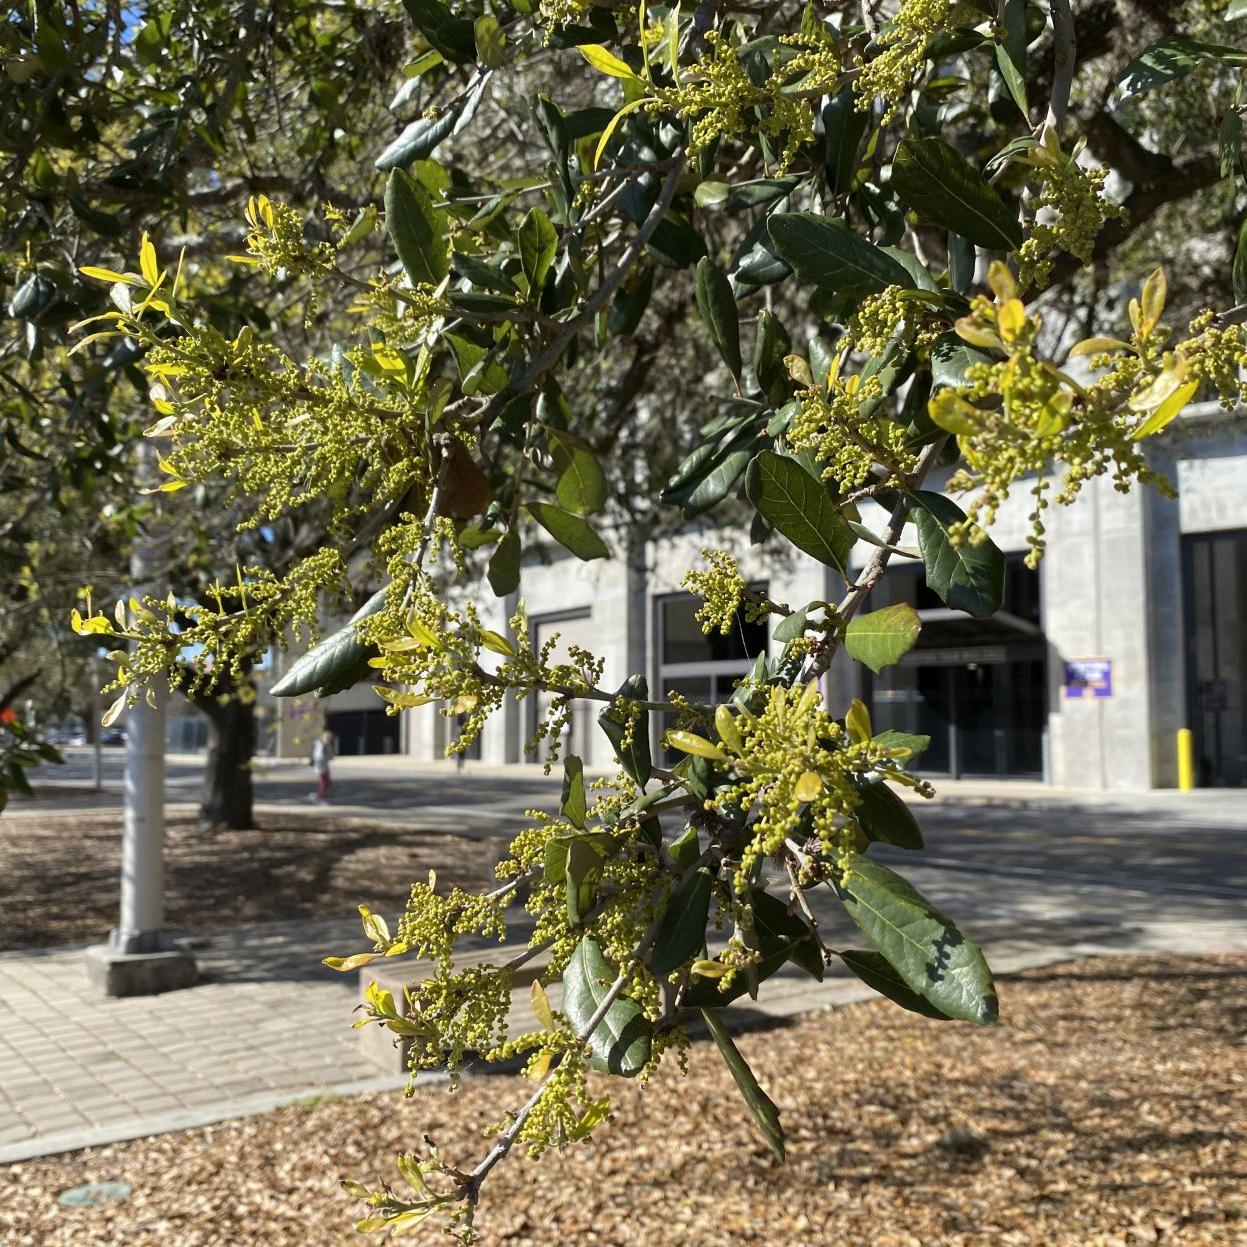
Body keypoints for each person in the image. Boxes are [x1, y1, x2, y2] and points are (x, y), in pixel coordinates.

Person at [311, 728, 335, 804]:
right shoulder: (320, 745)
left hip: (325, 766)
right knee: (324, 783)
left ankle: (320, 794)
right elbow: (318, 756)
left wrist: (329, 756)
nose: (328, 739)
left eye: (329, 738)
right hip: (320, 766)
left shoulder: (325, 745)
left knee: (328, 782)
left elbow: (330, 756)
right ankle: (320, 797)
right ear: (323, 737)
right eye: (326, 738)